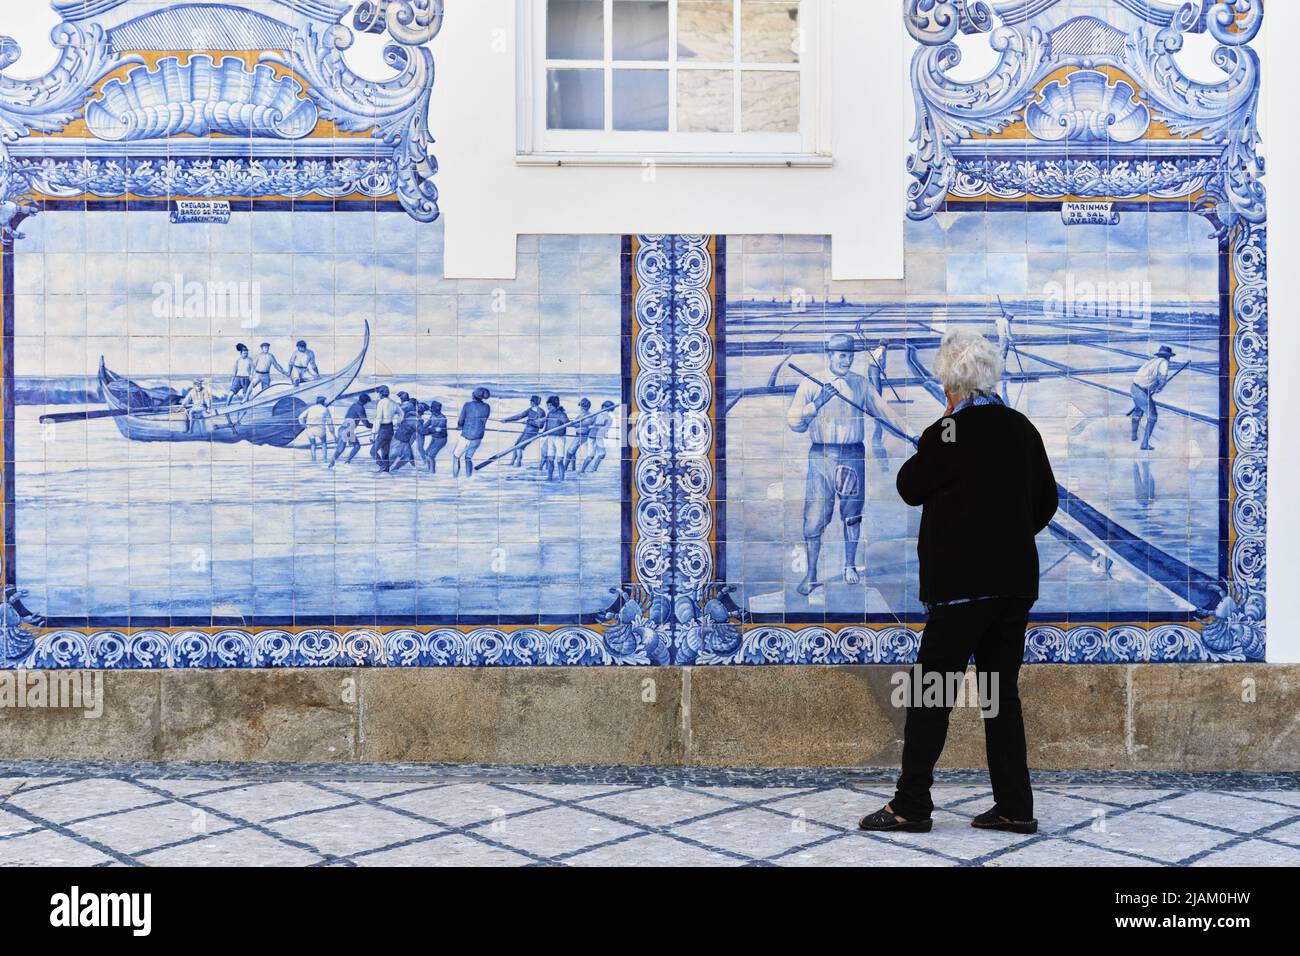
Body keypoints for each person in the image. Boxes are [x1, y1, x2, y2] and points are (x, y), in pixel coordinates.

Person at [858, 329, 1058, 836]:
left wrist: (942, 427)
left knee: (931, 693)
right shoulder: (1021, 428)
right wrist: (1007, 536)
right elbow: (1047, 501)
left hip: (960, 589)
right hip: (1013, 583)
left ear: (949, 385)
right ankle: (1015, 807)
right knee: (999, 694)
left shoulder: (946, 433)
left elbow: (909, 487)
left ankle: (910, 806)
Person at [785, 333, 910, 596]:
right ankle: (811, 574)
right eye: (841, 355)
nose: (846, 360)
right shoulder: (811, 384)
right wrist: (817, 403)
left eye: (850, 355)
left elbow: (886, 413)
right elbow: (794, 423)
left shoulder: (860, 384)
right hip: (821, 457)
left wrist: (912, 435)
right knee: (814, 518)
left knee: (852, 514)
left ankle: (850, 565)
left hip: (853, 455)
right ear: (830, 355)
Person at [1128, 345, 1174, 451]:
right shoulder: (1164, 362)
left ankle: (1133, 436)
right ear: (1168, 356)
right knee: (1153, 417)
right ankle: (1144, 444)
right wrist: (1160, 387)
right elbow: (1162, 378)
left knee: (1138, 411)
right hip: (1142, 392)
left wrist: (1154, 386)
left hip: (1134, 387)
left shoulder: (1152, 361)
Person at [453, 387, 491, 478]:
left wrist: (459, 426)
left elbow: (461, 420)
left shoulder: (467, 405)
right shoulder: (487, 407)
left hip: (466, 435)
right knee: (468, 458)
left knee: (456, 456)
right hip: (478, 436)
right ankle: (468, 478)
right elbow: (483, 421)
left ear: (474, 395)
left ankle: (454, 478)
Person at [330, 393, 372, 468]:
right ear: (365, 401)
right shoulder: (360, 408)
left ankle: (347, 461)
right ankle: (332, 464)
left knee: (356, 446)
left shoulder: (353, 405)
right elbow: (366, 424)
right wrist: (376, 426)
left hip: (345, 429)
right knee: (341, 449)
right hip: (347, 431)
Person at [504, 395, 545, 467]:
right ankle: (512, 462)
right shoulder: (530, 410)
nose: (531, 403)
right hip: (526, 430)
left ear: (534, 402)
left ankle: (518, 463)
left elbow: (540, 425)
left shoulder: (541, 412)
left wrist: (528, 422)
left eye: (532, 401)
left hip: (532, 432)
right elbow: (519, 416)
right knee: (516, 445)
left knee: (520, 446)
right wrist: (507, 420)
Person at [372, 385, 402, 473]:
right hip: (390, 428)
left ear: (381, 393)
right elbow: (401, 413)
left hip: (383, 428)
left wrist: (373, 434)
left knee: (373, 451)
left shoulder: (381, 402)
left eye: (378, 393)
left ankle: (382, 466)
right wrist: (398, 422)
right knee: (385, 451)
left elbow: (378, 418)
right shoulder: (393, 402)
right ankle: (386, 470)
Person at [581, 400, 617, 472]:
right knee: (592, 455)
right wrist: (592, 426)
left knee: (601, 454)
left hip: (598, 437)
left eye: (608, 409)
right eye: (605, 408)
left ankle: (593, 469)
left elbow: (605, 428)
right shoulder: (598, 415)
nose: (605, 410)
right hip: (593, 436)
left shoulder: (608, 418)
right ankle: (582, 470)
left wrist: (602, 431)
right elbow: (590, 423)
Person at [297, 396, 334, 463]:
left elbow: (300, 417)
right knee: (324, 443)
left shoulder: (311, 408)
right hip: (320, 429)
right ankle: (324, 458)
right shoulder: (325, 409)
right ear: (323, 402)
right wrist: (333, 433)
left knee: (313, 444)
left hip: (310, 428)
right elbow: (329, 422)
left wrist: (303, 425)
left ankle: (314, 458)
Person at [541, 395, 569, 481]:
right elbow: (547, 425)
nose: (548, 407)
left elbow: (567, 423)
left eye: (550, 405)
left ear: (555, 405)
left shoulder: (562, 414)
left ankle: (561, 479)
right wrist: (544, 432)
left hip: (559, 438)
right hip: (550, 437)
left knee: (560, 460)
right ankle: (549, 478)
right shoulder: (549, 414)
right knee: (550, 459)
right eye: (548, 405)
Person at [565, 398, 592, 474]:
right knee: (573, 453)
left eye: (583, 406)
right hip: (579, 435)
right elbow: (576, 423)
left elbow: (582, 424)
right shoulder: (582, 414)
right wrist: (571, 423)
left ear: (587, 407)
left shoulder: (588, 415)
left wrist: (572, 424)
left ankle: (565, 468)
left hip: (582, 436)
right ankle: (573, 469)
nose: (582, 408)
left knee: (569, 452)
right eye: (581, 406)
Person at [422, 399, 449, 473]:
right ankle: (428, 469)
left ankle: (432, 472)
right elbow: (427, 424)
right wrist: (420, 428)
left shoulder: (442, 418)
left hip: (441, 439)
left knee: (431, 456)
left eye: (432, 408)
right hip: (434, 438)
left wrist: (426, 431)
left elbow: (438, 429)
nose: (431, 410)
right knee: (427, 453)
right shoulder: (432, 416)